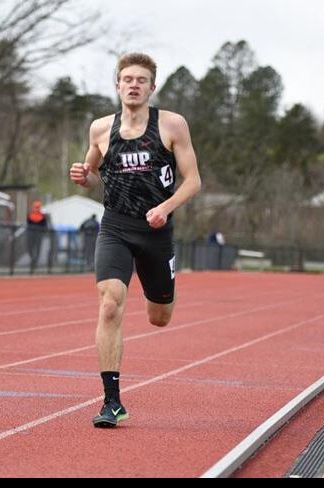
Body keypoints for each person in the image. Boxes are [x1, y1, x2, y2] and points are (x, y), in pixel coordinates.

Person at [69, 53, 202, 428]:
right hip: (115, 228)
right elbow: (92, 175)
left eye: (141, 80)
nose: (133, 84)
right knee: (110, 304)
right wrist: (83, 177)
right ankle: (111, 401)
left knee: (159, 318)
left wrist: (166, 207)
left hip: (157, 231)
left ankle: (160, 292)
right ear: (117, 85)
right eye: (127, 78)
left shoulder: (172, 125)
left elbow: (193, 180)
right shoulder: (100, 129)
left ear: (151, 87)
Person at [26, 200, 50, 272]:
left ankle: (35, 262)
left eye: (38, 207)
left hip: (39, 235)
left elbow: (45, 226)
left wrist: (43, 231)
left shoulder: (43, 217)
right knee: (29, 248)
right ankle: (32, 258)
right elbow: (28, 224)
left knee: (38, 248)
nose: (36, 209)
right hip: (31, 234)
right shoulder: (30, 215)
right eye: (35, 207)